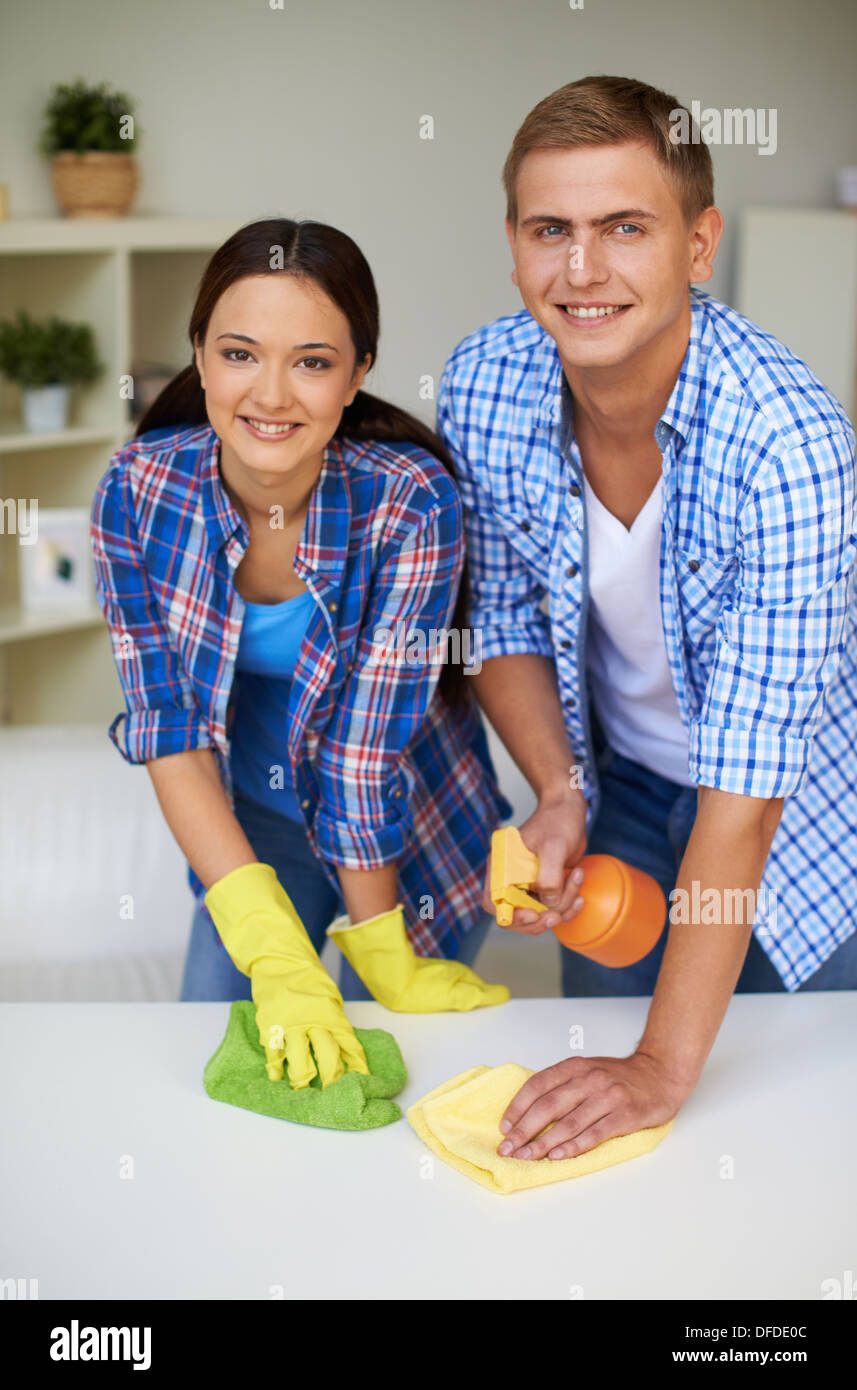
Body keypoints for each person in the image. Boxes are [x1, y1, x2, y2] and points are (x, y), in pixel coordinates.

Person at [436, 75, 857, 1160]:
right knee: (606, 1139)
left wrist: (661, 1066)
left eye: (623, 227)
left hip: (793, 818)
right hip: (615, 788)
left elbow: (748, 797)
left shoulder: (788, 446)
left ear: (697, 242)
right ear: (513, 241)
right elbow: (499, 619)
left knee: (786, 1122)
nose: (581, 271)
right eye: (550, 230)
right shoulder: (483, 382)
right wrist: (558, 791)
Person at [90, 217, 512, 1087]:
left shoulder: (409, 503)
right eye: (240, 354)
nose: (271, 395)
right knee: (221, 1069)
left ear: (357, 373)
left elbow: (362, 756)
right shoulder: (134, 495)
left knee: (393, 1079)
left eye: (312, 362)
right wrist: (272, 950)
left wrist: (381, 955)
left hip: (410, 828)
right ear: (199, 355)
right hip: (249, 821)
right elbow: (169, 732)